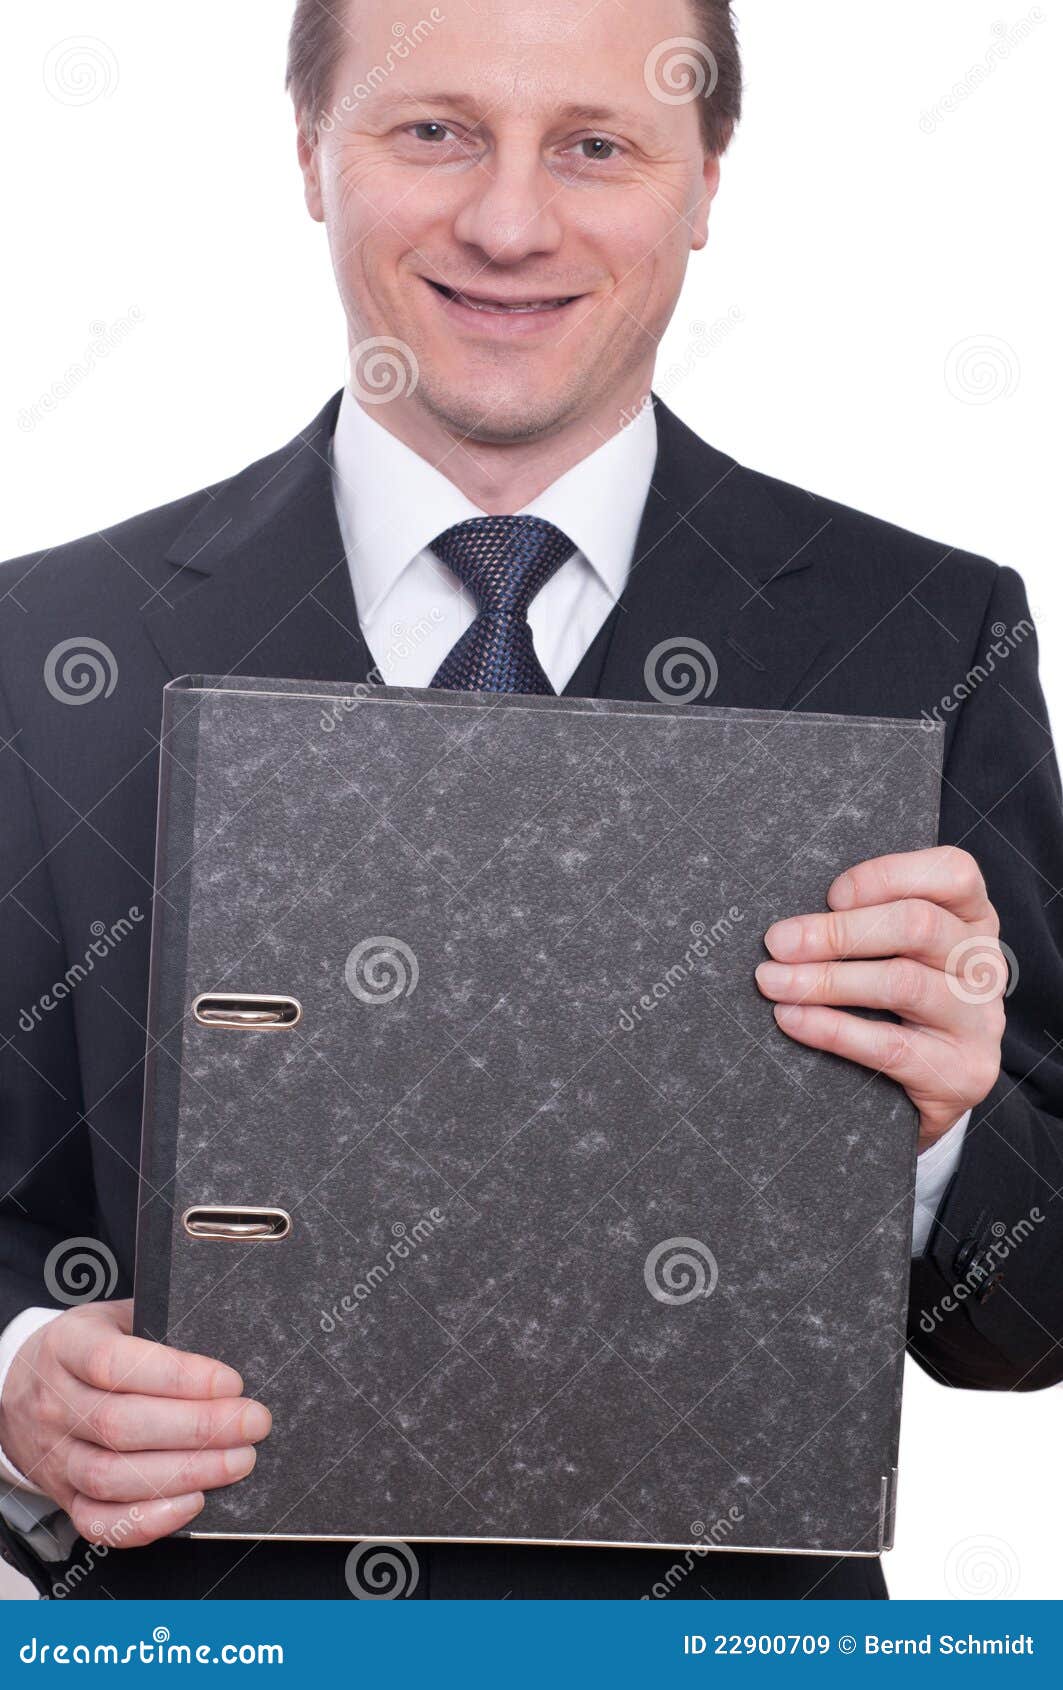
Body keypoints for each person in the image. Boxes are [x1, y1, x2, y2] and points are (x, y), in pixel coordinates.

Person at [1, 0, 1060, 1601]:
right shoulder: (44, 649)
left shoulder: (919, 636)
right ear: (309, 153)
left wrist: (935, 1130)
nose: (508, 223)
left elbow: (1031, 1314)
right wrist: (15, 1371)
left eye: (595, 144)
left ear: (705, 182)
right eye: (433, 130)